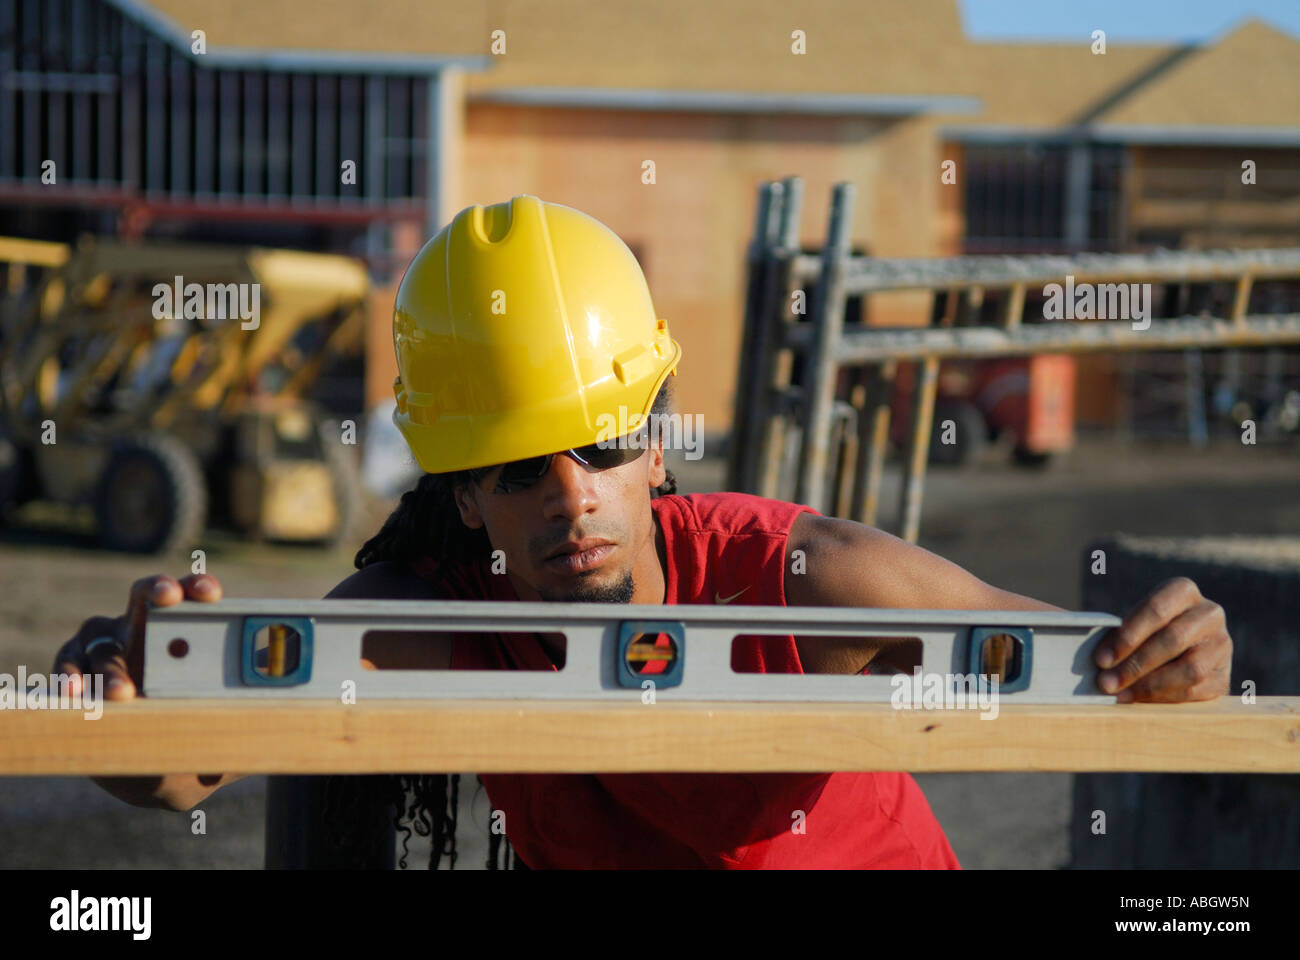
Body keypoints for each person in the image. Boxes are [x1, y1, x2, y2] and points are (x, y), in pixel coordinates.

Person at [56, 196, 1232, 869]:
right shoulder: (441, 618)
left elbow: (1073, 662)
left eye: (604, 447)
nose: (570, 496)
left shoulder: (800, 577)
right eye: (519, 468)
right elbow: (182, 768)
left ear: (658, 446)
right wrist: (123, 691)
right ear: (465, 496)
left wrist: (1178, 663)